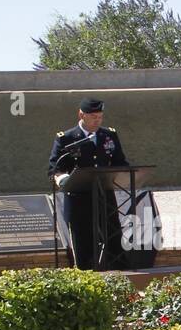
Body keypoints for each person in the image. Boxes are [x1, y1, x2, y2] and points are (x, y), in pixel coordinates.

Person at [48, 96, 128, 270]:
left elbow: (120, 162)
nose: (97, 121)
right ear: (81, 115)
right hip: (79, 198)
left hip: (104, 197)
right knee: (83, 240)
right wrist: (63, 179)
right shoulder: (66, 138)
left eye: (100, 117)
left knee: (112, 237)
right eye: (93, 117)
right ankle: (86, 274)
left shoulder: (109, 135)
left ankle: (119, 274)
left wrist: (123, 173)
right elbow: (55, 168)